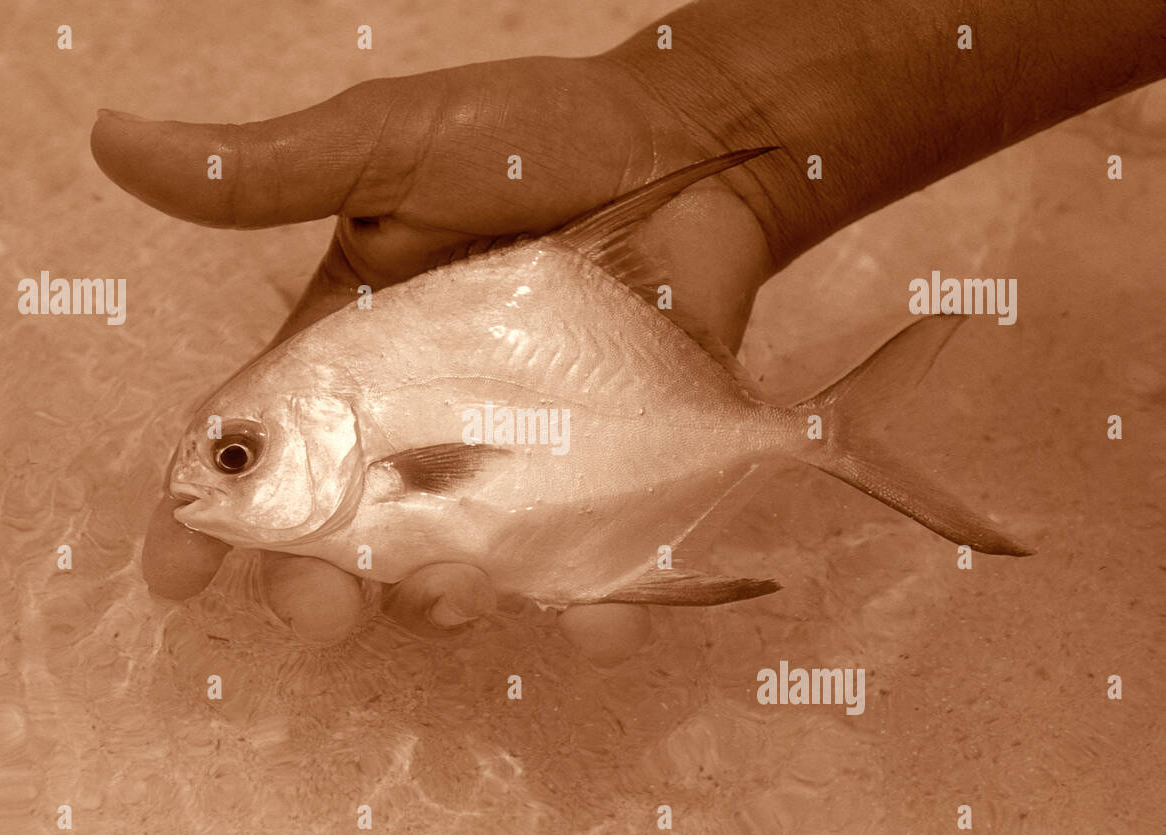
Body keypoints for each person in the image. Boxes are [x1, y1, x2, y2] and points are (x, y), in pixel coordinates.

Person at [90, 0, 1166, 652]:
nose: (211, 479)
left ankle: (806, 440)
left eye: (239, 455)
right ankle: (805, 440)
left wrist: (709, 118)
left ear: (325, 422)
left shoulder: (361, 391)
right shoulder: (353, 387)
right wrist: (704, 112)